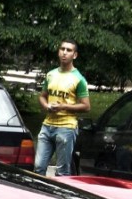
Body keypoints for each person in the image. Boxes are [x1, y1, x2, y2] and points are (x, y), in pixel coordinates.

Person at [34, 39, 90, 176]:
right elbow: (42, 96)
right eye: (62, 49)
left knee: (62, 171)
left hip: (66, 128)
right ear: (58, 52)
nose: (64, 52)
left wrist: (63, 106)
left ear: (74, 55)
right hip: (47, 126)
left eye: (69, 50)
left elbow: (86, 106)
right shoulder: (51, 74)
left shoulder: (79, 79)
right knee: (38, 167)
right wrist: (47, 106)